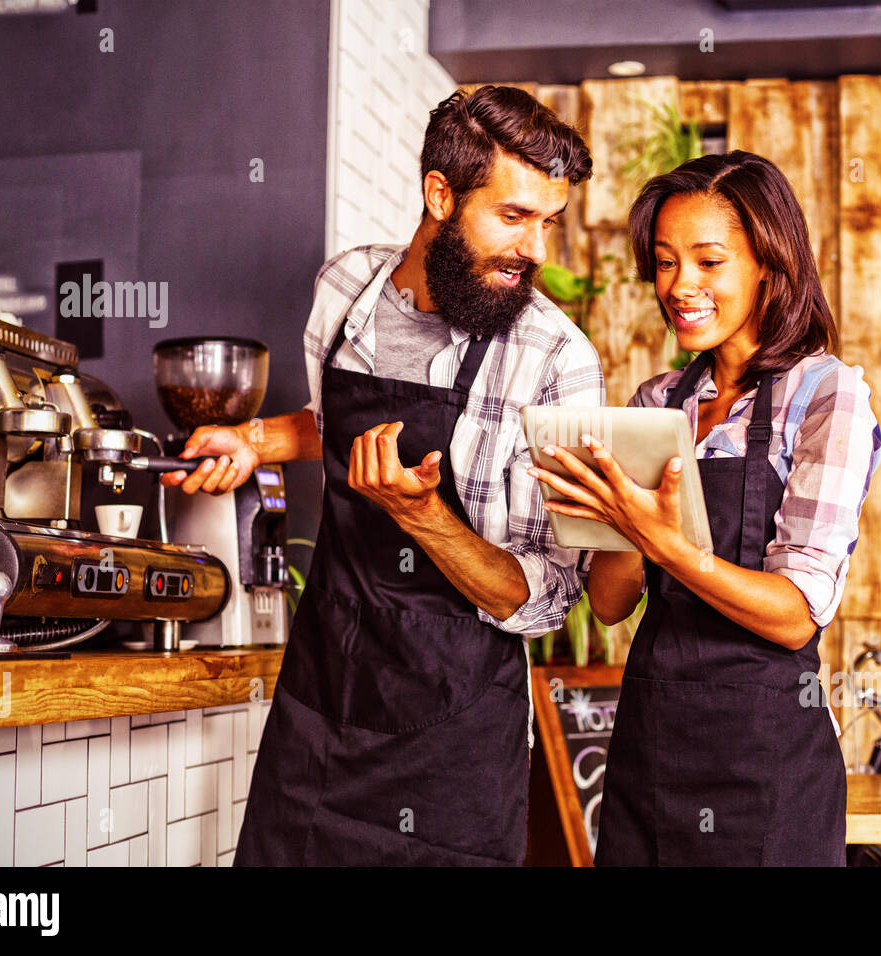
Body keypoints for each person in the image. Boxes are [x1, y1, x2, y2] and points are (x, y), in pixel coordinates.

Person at [162, 85, 602, 865]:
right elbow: (334, 422)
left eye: (548, 222)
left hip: (454, 744)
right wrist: (255, 439)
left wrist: (423, 517)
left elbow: (548, 599)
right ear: (440, 194)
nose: (537, 249)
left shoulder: (556, 359)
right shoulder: (346, 289)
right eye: (513, 216)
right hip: (320, 707)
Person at [528, 150, 881, 866]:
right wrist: (615, 517)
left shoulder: (825, 396)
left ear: (769, 266)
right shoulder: (657, 403)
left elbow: (792, 616)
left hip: (767, 767)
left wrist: (665, 543)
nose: (680, 286)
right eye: (664, 263)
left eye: (708, 262)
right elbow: (606, 602)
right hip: (652, 753)